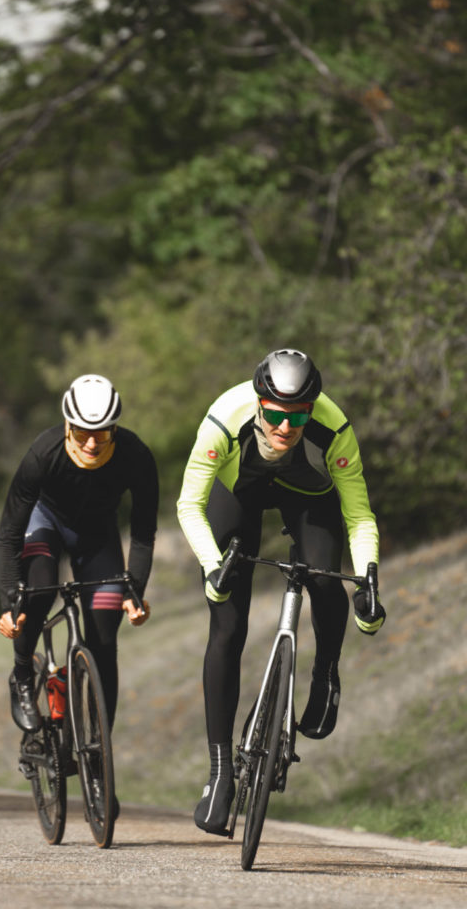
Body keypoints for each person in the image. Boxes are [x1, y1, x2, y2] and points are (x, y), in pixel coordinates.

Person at [176, 348, 386, 834]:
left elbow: (358, 515)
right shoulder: (225, 419)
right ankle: (220, 773)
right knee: (227, 625)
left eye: (297, 417)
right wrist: (212, 567)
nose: (285, 428)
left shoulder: (335, 430)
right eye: (273, 415)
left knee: (326, 580)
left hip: (307, 495)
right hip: (239, 494)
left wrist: (369, 577)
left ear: (313, 408)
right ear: (257, 403)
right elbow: (189, 504)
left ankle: (325, 674)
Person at [0, 375, 158, 765]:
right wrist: (9, 602)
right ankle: (21, 674)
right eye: (83, 432)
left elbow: (143, 532)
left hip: (97, 534)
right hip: (45, 521)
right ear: (68, 425)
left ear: (114, 429)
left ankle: (98, 757)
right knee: (40, 589)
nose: (91, 442)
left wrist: (133, 591)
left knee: (103, 640)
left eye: (102, 435)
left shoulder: (135, 455)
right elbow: (9, 534)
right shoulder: (42, 453)